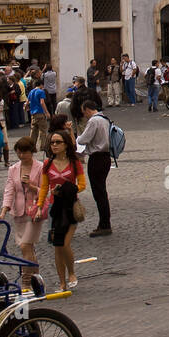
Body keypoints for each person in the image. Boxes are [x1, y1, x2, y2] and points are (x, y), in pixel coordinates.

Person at [37, 130, 85, 291]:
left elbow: (82, 185)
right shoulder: (47, 164)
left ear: (66, 145)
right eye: (52, 142)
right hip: (54, 208)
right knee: (57, 246)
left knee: (65, 243)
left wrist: (66, 190)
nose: (55, 145)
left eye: (58, 142)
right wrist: (39, 206)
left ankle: (71, 273)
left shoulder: (74, 162)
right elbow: (44, 187)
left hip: (70, 206)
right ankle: (62, 282)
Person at [0, 137, 45, 287]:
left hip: (34, 212)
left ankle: (26, 282)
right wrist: (4, 210)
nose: (21, 156)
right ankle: (37, 280)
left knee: (25, 245)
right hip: (18, 212)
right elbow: (9, 190)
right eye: (18, 153)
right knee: (27, 248)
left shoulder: (40, 167)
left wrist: (31, 186)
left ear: (31, 151)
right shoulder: (13, 169)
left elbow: (45, 191)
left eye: (24, 152)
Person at [76, 100, 113, 237]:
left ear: (87, 109)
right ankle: (104, 222)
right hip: (106, 157)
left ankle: (104, 224)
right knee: (101, 191)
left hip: (97, 158)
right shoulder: (105, 119)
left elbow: (83, 140)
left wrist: (76, 136)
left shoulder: (93, 121)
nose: (83, 115)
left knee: (99, 193)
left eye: (83, 112)